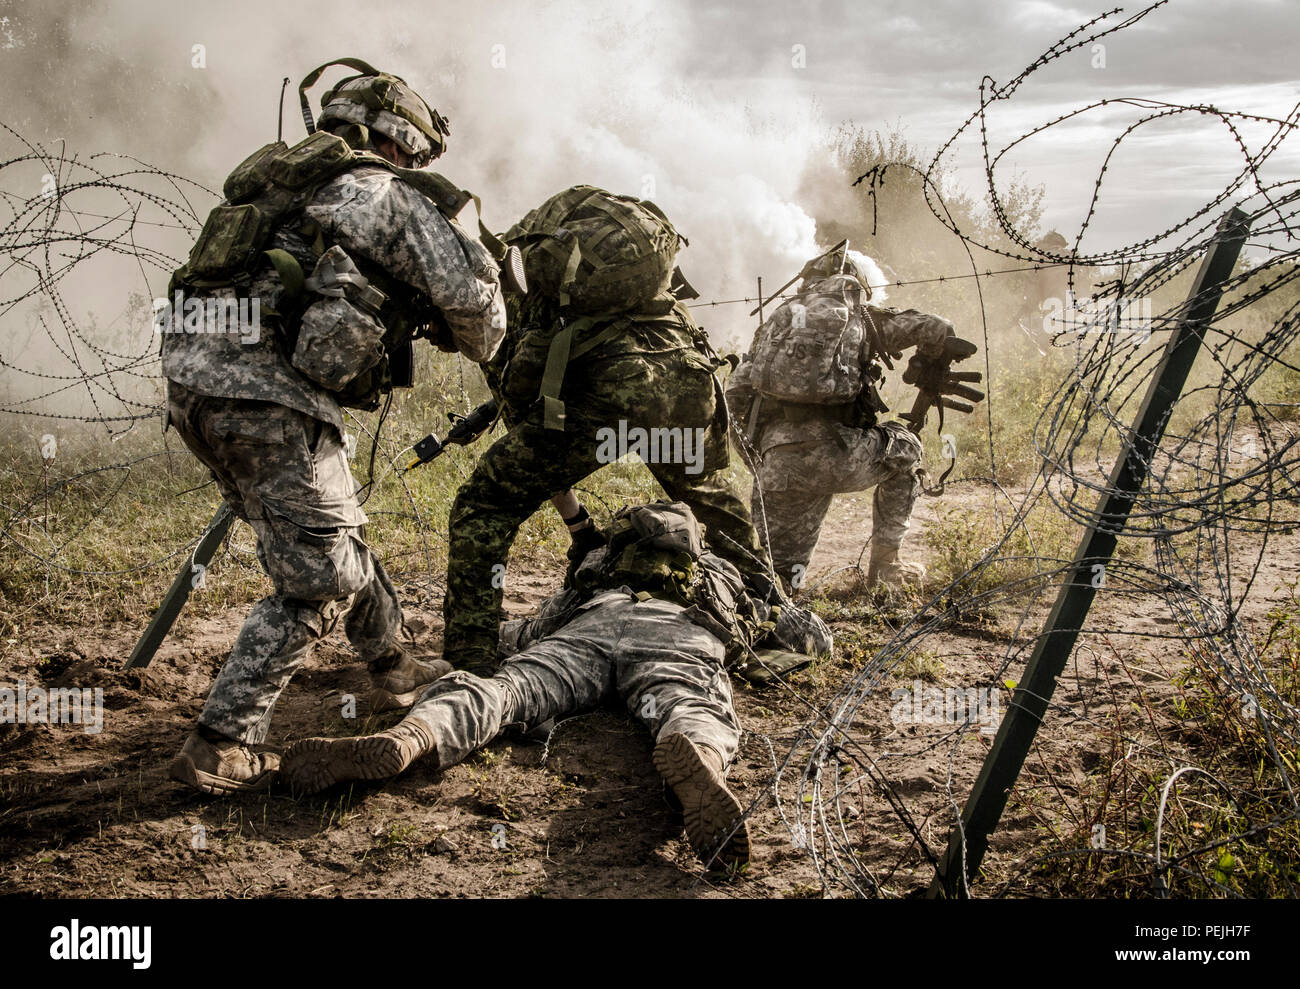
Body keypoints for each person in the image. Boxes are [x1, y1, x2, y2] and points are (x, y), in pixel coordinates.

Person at [161, 59, 505, 794]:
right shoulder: (380, 191)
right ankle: (223, 740)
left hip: (194, 390)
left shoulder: (274, 182)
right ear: (396, 142)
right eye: (413, 155)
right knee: (317, 577)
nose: (412, 165)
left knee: (333, 524)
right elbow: (481, 316)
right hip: (268, 402)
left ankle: (391, 662)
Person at [283, 502, 824, 870]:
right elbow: (803, 640)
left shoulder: (601, 566)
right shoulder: (717, 572)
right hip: (679, 630)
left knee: (508, 689)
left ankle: (415, 736)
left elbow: (530, 631)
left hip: (593, 624)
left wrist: (474, 640)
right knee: (690, 699)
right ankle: (699, 757)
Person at [441, 185, 776, 677]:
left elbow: (530, 419)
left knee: (486, 504)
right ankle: (772, 616)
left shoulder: (506, 294)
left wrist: (578, 528)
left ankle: (469, 662)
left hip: (610, 402)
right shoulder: (609, 277)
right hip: (685, 385)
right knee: (706, 496)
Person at [728, 246, 970, 594]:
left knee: (777, 582)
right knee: (908, 450)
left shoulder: (774, 328)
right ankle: (886, 567)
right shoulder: (864, 319)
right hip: (841, 456)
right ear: (857, 281)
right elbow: (938, 328)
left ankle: (773, 604)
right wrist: (928, 363)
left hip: (778, 463)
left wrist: (761, 462)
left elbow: (735, 395)